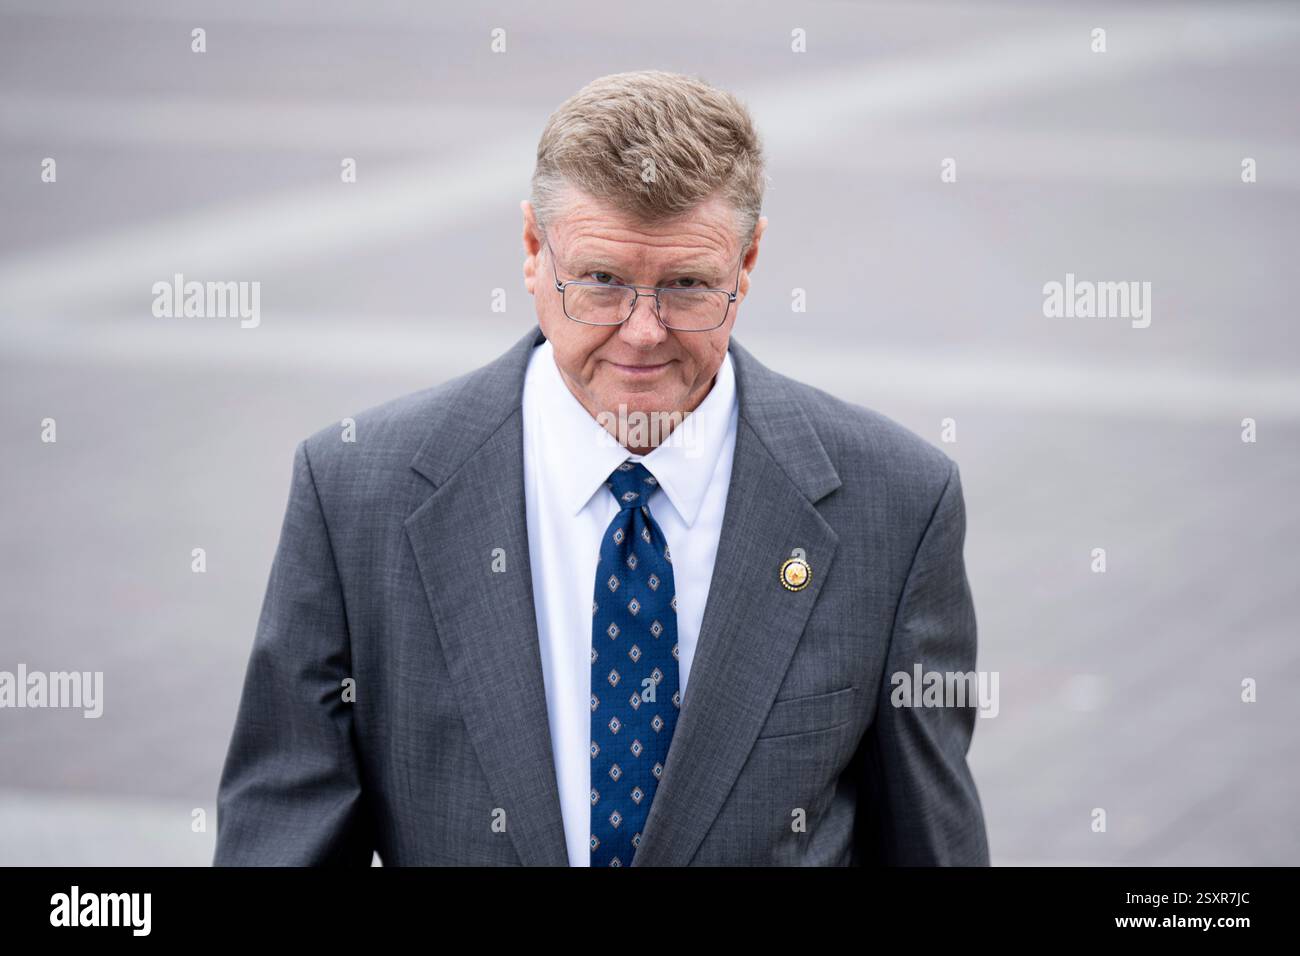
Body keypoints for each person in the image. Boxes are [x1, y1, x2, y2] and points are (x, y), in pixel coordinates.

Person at [214, 70, 989, 866]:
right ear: (531, 251)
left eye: (687, 286)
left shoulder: (896, 507)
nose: (643, 333)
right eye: (602, 282)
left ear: (748, 261)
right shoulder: (351, 497)